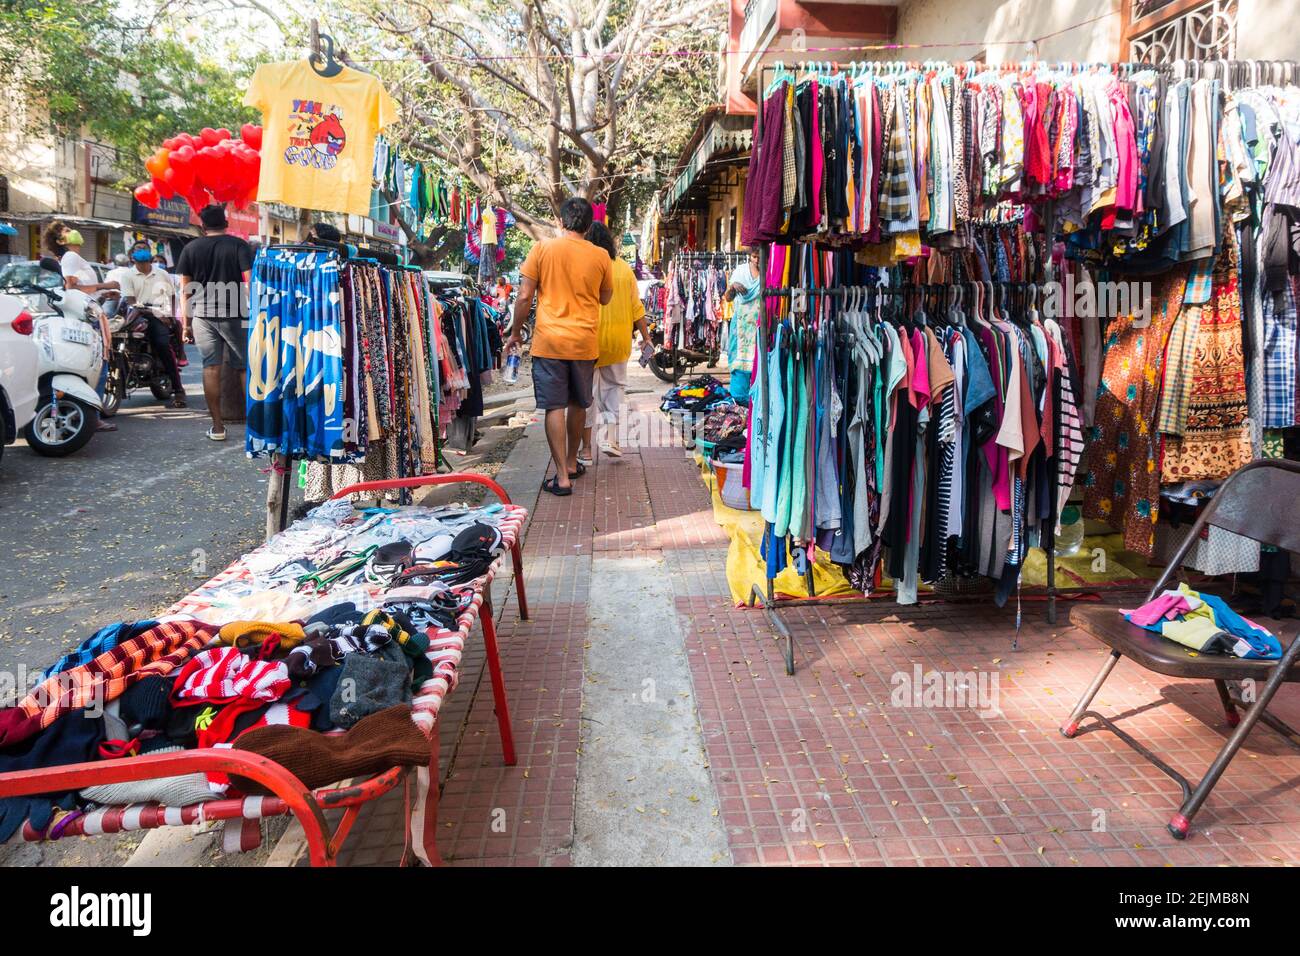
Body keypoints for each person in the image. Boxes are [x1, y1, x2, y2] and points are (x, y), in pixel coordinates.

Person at [504, 197, 612, 496]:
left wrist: (515, 333)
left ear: (561, 222)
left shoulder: (541, 249)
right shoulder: (601, 256)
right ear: (589, 225)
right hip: (584, 342)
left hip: (549, 341)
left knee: (555, 406)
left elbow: (524, 297)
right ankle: (573, 462)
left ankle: (561, 477)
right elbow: (605, 298)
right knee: (579, 404)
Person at [177, 205, 253, 441]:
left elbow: (185, 290)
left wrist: (186, 324)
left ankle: (218, 427)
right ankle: (254, 429)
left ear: (202, 226)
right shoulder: (239, 246)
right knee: (243, 368)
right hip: (236, 313)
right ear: (225, 224)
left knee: (211, 368)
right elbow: (250, 282)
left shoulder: (190, 248)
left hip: (202, 315)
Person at [578, 221, 650, 462]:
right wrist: (646, 337)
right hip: (618, 342)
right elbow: (637, 308)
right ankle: (611, 439)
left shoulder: (585, 267)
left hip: (589, 341)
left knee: (586, 396)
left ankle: (586, 450)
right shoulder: (624, 270)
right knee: (614, 392)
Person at [43, 221, 118, 431]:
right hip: (85, 319)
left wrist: (102, 295)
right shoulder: (70, 257)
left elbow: (81, 290)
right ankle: (92, 415)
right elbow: (71, 286)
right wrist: (106, 285)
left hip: (88, 314)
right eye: (66, 230)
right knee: (97, 364)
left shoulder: (73, 257)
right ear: (60, 240)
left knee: (94, 364)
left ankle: (89, 413)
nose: (72, 231)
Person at [121, 241, 186, 408]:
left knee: (162, 344)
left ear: (150, 256)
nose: (141, 252)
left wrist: (170, 314)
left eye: (144, 249)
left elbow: (172, 296)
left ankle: (178, 390)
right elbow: (130, 300)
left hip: (159, 314)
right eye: (138, 250)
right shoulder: (127, 276)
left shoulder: (162, 274)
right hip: (137, 313)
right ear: (132, 256)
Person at [723, 247, 762, 405]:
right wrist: (733, 287)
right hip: (741, 331)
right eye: (754, 256)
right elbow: (727, 298)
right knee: (739, 385)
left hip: (759, 330)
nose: (757, 260)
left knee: (758, 369)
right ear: (749, 256)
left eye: (760, 256)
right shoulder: (740, 271)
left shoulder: (769, 272)